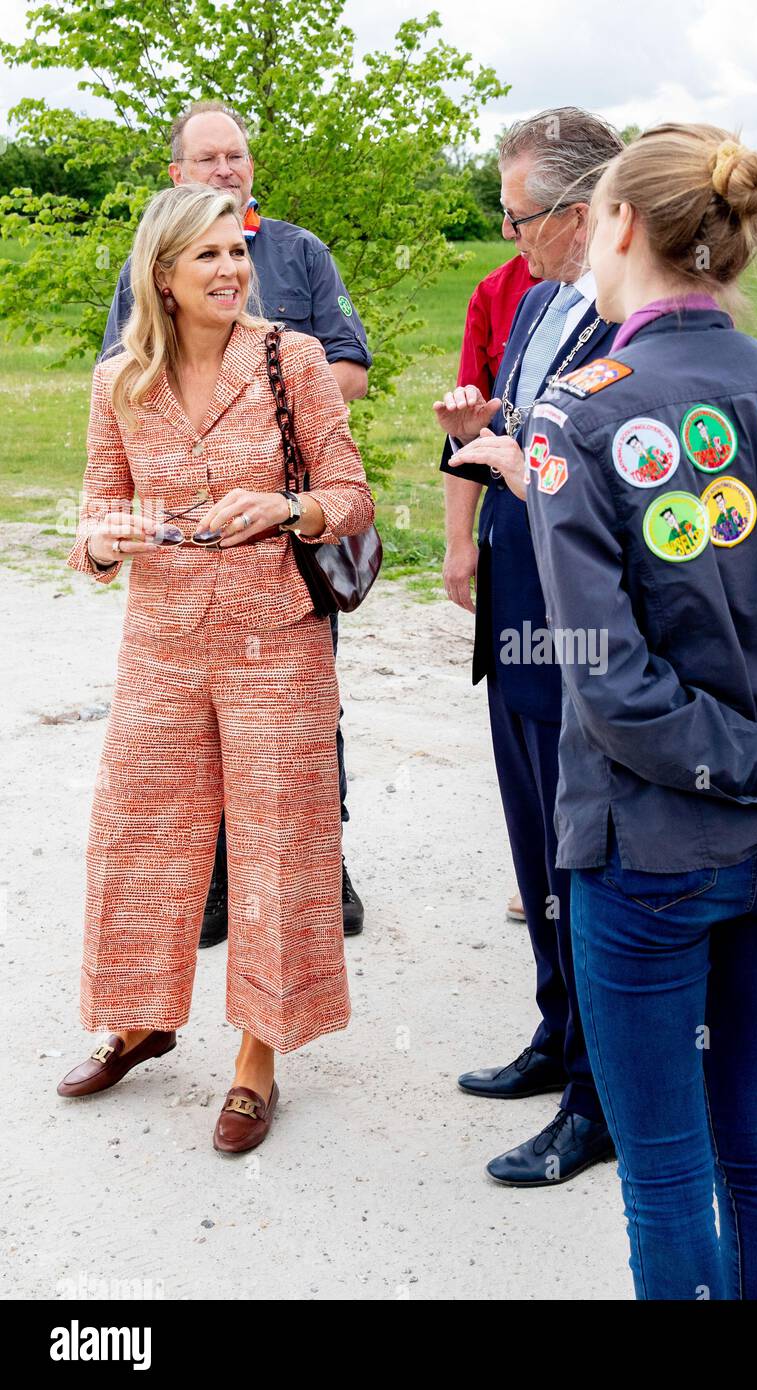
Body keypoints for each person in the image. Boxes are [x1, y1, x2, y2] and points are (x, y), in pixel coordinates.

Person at [494, 123, 757, 1298]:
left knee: (674, 1171)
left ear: (619, 225)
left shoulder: (576, 418)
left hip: (647, 855)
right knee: (754, 1144)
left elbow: (614, 689)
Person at [57, 185, 376, 1156]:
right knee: (137, 832)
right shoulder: (121, 381)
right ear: (162, 275)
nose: (232, 269)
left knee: (278, 847)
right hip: (159, 641)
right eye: (207, 258)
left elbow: (350, 497)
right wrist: (106, 541)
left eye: (236, 252)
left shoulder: (295, 358)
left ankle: (257, 1059)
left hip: (276, 637)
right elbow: (94, 520)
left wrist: (286, 511)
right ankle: (142, 1018)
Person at [102, 100, 371, 946]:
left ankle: (320, 868)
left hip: (285, 561)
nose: (227, 169)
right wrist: (118, 526)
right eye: (209, 159)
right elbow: (131, 389)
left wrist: (268, 396)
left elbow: (349, 366)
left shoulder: (299, 253)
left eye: (239, 156)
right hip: (179, 584)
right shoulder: (142, 275)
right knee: (186, 755)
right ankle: (217, 884)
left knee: (296, 728)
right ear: (177, 175)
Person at [435, 108, 624, 1189]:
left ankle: (600, 1094)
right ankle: (558, 1032)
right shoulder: (545, 301)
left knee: (578, 855)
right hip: (516, 618)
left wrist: (518, 454)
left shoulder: (624, 314)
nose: (513, 239)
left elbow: (595, 464)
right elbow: (538, 431)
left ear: (581, 206)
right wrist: (480, 425)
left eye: (521, 218)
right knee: (531, 847)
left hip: (577, 625)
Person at [446, 251, 540, 925]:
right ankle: (538, 876)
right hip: (512, 542)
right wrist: (460, 542)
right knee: (523, 741)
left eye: (521, 215)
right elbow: (469, 428)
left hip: (573, 553)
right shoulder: (507, 294)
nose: (510, 233)